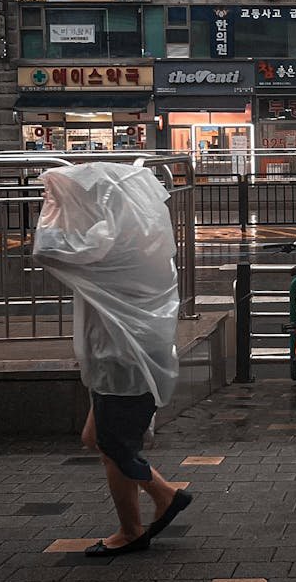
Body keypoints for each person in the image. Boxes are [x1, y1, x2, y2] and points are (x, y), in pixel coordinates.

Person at [33, 163, 194, 556]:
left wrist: (54, 204)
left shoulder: (110, 241)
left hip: (123, 357)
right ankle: (163, 497)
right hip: (123, 356)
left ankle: (134, 527)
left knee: (114, 447)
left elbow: (48, 248)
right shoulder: (134, 231)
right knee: (98, 439)